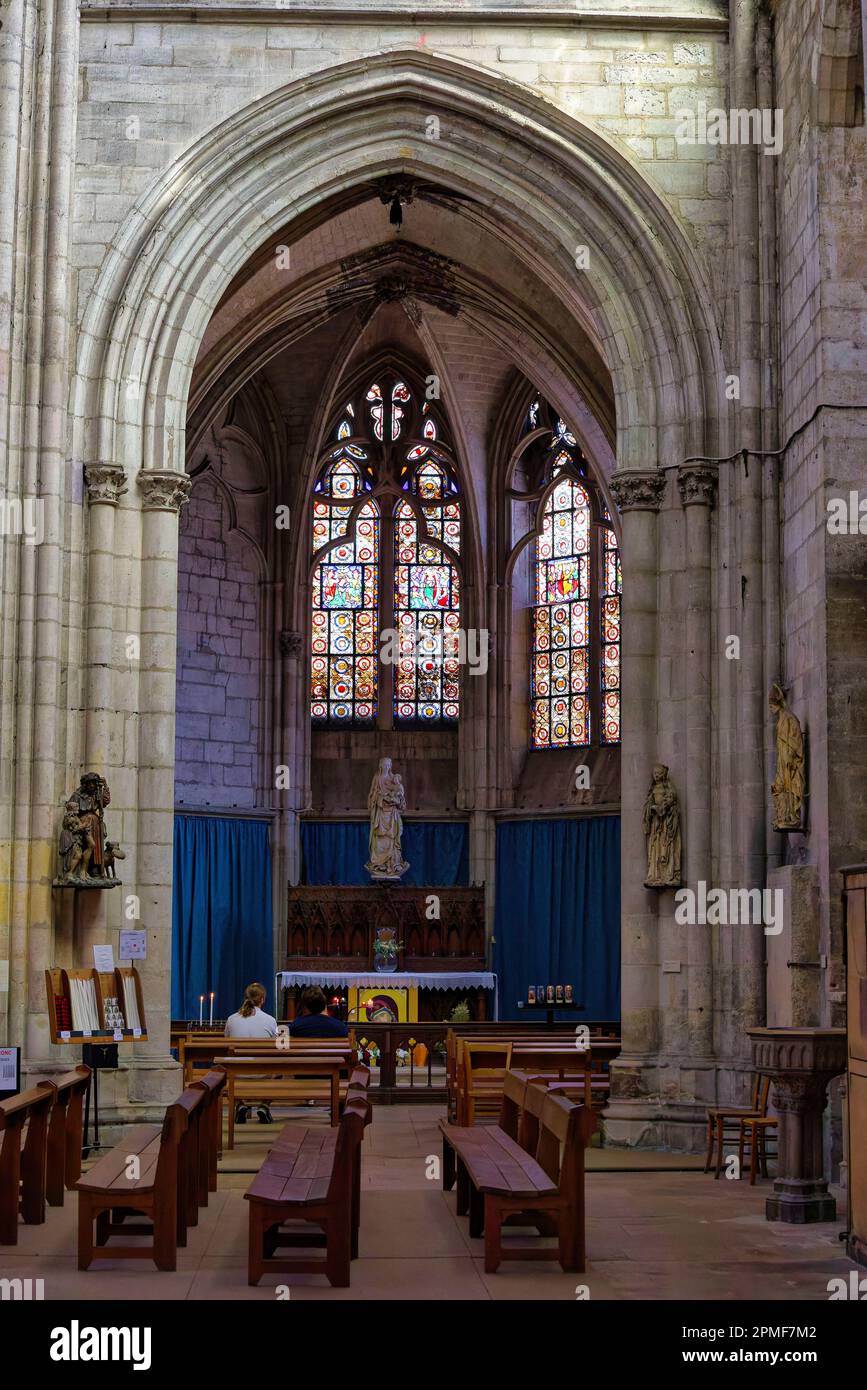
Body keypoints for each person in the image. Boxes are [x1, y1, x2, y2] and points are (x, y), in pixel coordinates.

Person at [224, 982, 278, 1124]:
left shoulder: (231, 1019)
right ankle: (264, 1106)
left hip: (237, 1072)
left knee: (226, 1066)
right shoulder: (270, 1020)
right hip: (262, 1072)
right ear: (262, 999)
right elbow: (280, 1048)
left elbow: (226, 1043)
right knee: (279, 1070)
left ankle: (240, 1104)